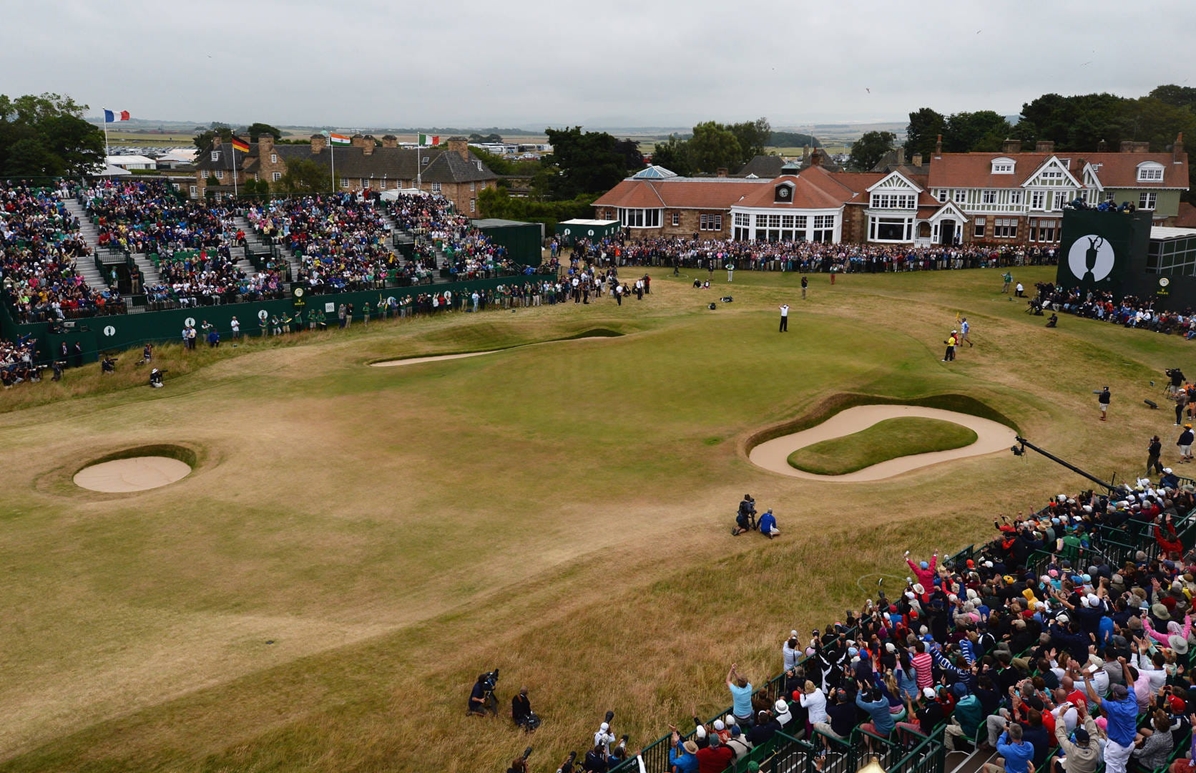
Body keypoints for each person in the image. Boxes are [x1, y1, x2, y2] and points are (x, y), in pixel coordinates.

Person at [1085, 680, 1138, 773]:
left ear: (1114, 695)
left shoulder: (1114, 707)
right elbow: (1130, 683)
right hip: (1129, 744)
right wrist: (1125, 669)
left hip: (1117, 747)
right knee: (1121, 767)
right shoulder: (1132, 700)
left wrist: (1086, 678)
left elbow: (1093, 697)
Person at [1052, 699, 1099, 773]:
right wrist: (1084, 712)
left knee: (1054, 759)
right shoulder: (1095, 748)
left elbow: (1060, 734)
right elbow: (1093, 731)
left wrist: (1060, 715)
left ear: (1077, 740)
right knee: (1064, 756)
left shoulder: (1071, 749)